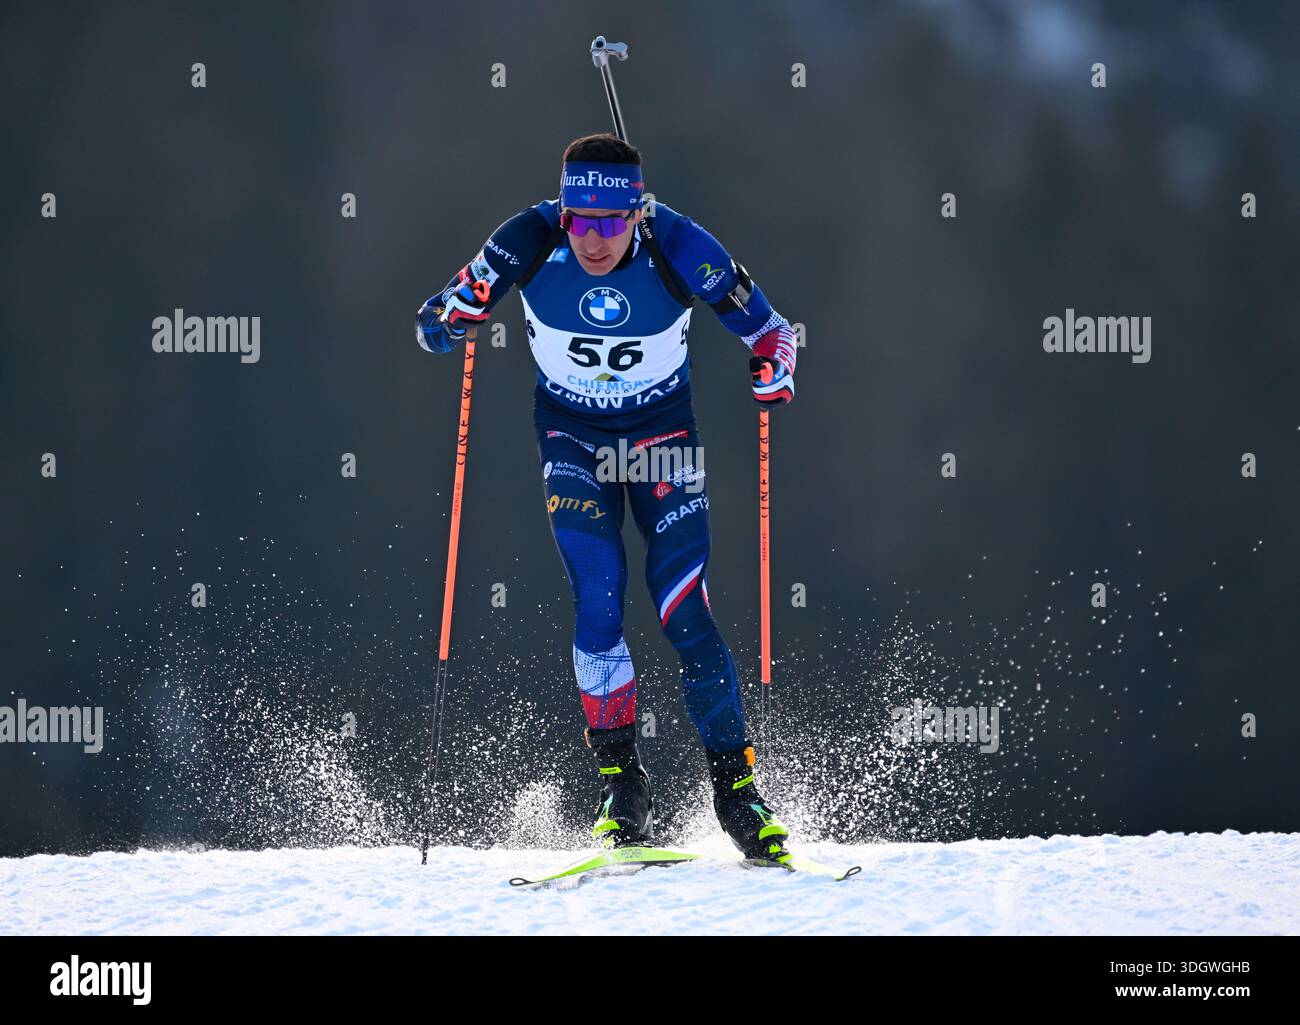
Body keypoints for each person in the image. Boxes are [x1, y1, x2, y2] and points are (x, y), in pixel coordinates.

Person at [416, 133, 799, 863]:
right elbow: (431, 324)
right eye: (579, 219)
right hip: (572, 439)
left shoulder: (679, 244)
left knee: (683, 605)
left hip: (662, 435)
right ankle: (623, 787)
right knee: (598, 596)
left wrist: (772, 368)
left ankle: (738, 792)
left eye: (609, 222)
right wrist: (454, 317)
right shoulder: (527, 237)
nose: (592, 237)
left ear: (637, 214)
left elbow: (774, 333)